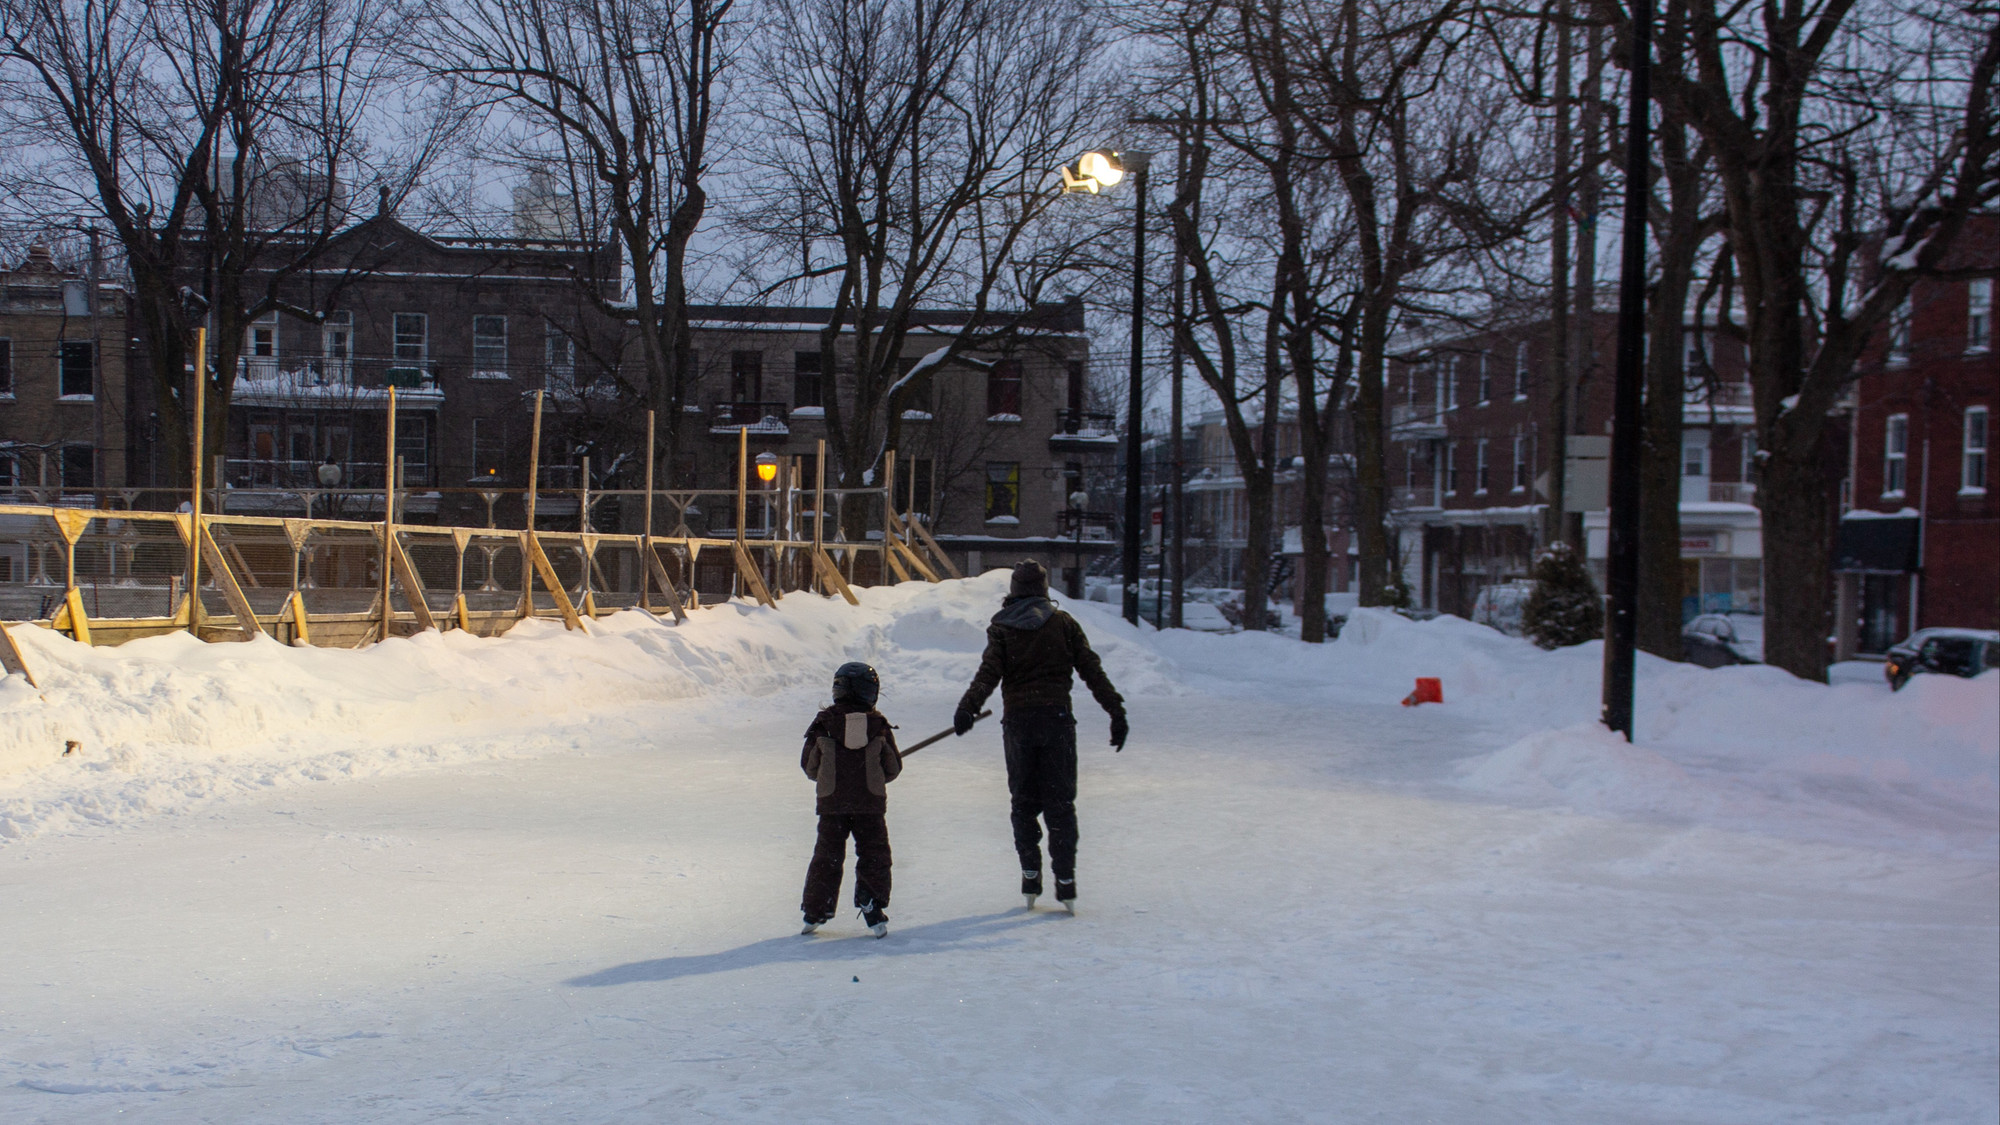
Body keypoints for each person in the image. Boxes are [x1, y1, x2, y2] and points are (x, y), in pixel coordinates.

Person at [953, 561, 1126, 913]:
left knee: (1024, 803)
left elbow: (989, 673)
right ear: (1044, 589)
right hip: (1056, 721)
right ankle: (1066, 880)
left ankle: (1031, 875)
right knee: (1060, 805)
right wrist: (1115, 711)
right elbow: (1091, 669)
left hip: (1019, 724)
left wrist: (968, 707)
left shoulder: (1002, 627)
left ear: (1014, 589)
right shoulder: (1063, 624)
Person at [799, 661, 903, 938]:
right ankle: (871, 903)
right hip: (870, 805)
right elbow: (893, 768)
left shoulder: (823, 724)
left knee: (827, 856)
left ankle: (815, 910)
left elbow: (809, 767)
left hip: (832, 805)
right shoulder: (878, 725)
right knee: (874, 854)